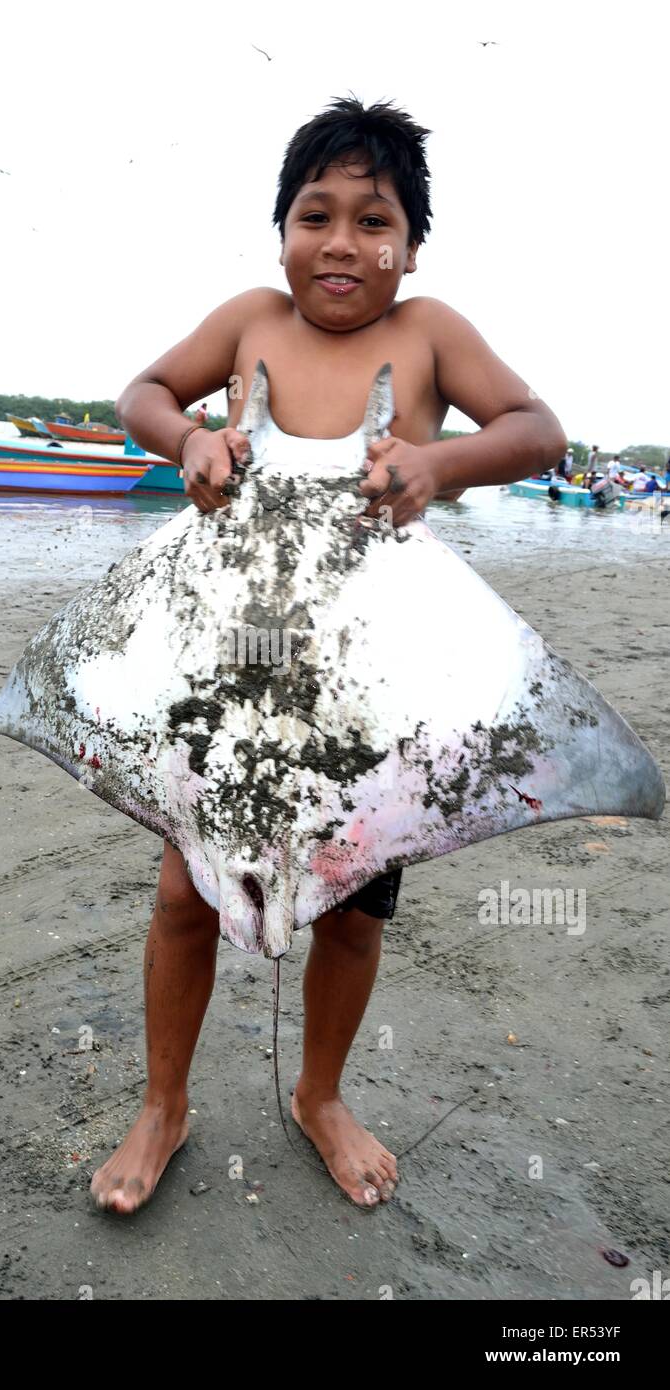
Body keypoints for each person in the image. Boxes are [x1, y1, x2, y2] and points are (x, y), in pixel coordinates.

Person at [101, 95, 567, 1216]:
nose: (344, 242)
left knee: (352, 904)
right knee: (182, 892)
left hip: (370, 681)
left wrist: (438, 466)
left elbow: (540, 430)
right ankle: (163, 1101)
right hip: (231, 666)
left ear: (410, 245)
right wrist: (191, 437)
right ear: (280, 231)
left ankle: (319, 1093)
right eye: (317, 215)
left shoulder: (429, 334)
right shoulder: (251, 320)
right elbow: (140, 395)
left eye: (374, 220)